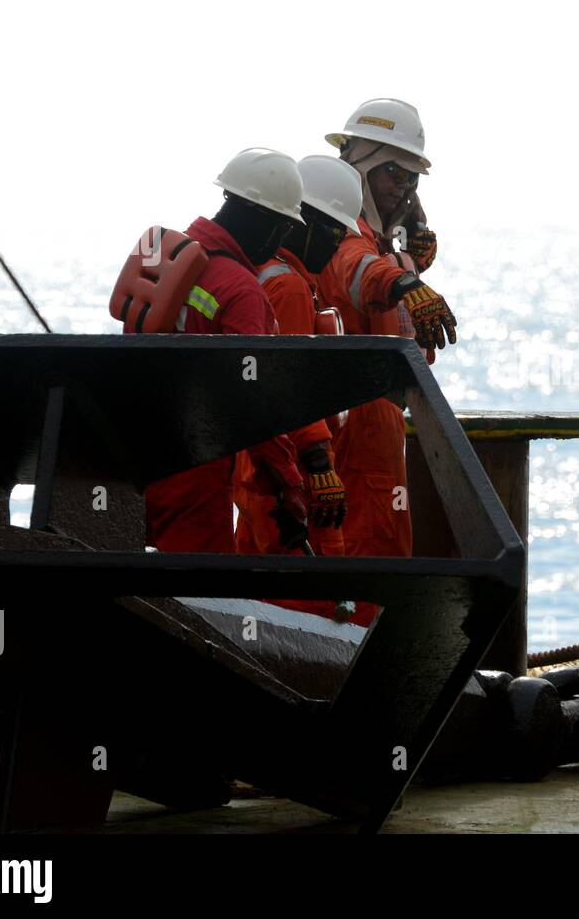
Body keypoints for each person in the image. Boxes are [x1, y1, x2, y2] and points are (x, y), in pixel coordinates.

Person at [142, 148, 310, 555]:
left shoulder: (164, 254)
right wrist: (288, 481)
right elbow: (253, 398)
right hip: (197, 466)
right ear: (266, 221)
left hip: (137, 452)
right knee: (197, 596)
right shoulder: (242, 291)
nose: (280, 242)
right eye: (283, 229)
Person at [315, 99, 457, 557]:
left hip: (375, 425)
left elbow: (379, 260)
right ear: (363, 168)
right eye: (396, 174)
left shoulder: (376, 238)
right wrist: (407, 282)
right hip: (354, 434)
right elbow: (358, 273)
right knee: (366, 560)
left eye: (413, 179)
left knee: (383, 553)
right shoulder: (343, 233)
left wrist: (412, 235)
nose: (405, 187)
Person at [233, 155, 364, 571]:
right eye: (334, 232)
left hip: (260, 468)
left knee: (257, 582)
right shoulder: (289, 287)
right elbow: (288, 387)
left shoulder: (264, 271)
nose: (336, 244)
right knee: (313, 593)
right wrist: (320, 467)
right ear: (302, 221)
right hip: (293, 474)